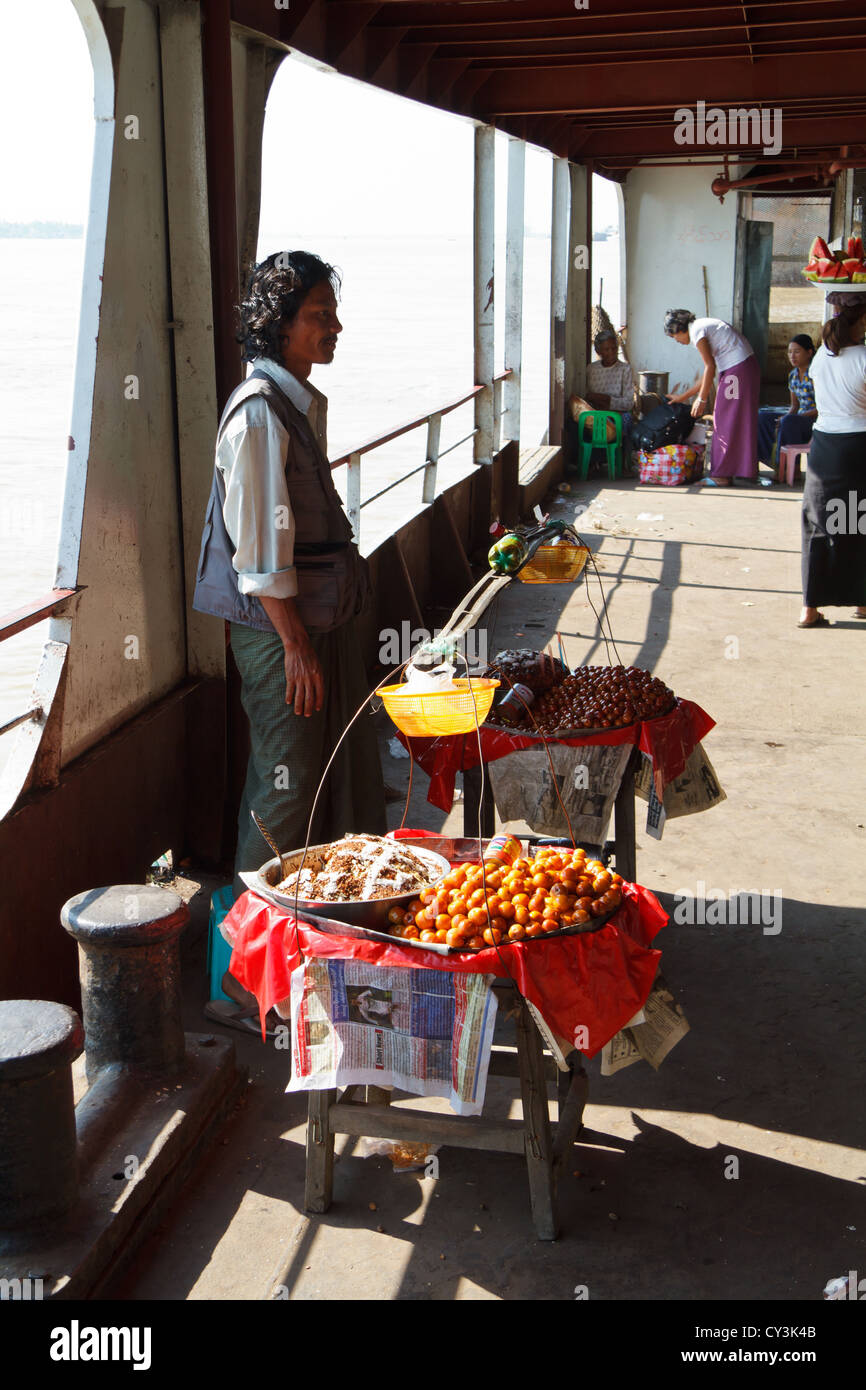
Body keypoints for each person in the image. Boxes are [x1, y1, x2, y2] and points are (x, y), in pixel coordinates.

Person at [193, 251, 386, 1022]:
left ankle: (306, 959)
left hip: (314, 625)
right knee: (282, 792)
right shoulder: (259, 415)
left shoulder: (295, 402)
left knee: (323, 785)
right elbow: (259, 556)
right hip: (282, 638)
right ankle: (238, 986)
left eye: (332, 313)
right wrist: (299, 648)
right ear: (278, 326)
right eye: (316, 315)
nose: (332, 326)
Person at [798, 292, 866, 628]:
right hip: (858, 447)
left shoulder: (821, 359)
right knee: (858, 521)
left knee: (818, 523)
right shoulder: (865, 358)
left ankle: (809, 608)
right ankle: (862, 602)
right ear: (861, 323)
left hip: (824, 447)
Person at [664, 309, 760, 486]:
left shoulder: (697, 331)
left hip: (737, 370)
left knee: (724, 420)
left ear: (679, 328)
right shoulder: (700, 327)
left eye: (674, 337)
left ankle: (721, 475)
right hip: (740, 368)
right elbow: (707, 373)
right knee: (735, 420)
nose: (677, 341)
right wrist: (684, 397)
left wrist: (701, 399)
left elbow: (710, 367)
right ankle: (734, 470)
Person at [757, 335, 817, 472]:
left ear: (809, 353)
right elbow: (795, 406)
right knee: (762, 417)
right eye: (790, 352)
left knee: (790, 422)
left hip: (814, 420)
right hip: (799, 417)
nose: (792, 356)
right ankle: (773, 461)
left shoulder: (815, 373)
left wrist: (795, 417)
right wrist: (786, 416)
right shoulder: (793, 375)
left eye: (797, 351)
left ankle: (792, 468)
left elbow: (823, 408)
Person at [585, 328, 635, 453]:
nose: (612, 352)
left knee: (627, 420)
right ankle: (590, 461)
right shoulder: (591, 369)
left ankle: (623, 459)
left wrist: (606, 400)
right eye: (607, 349)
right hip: (595, 415)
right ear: (598, 351)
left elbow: (629, 402)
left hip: (616, 415)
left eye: (614, 348)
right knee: (574, 424)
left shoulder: (625, 369)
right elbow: (587, 397)